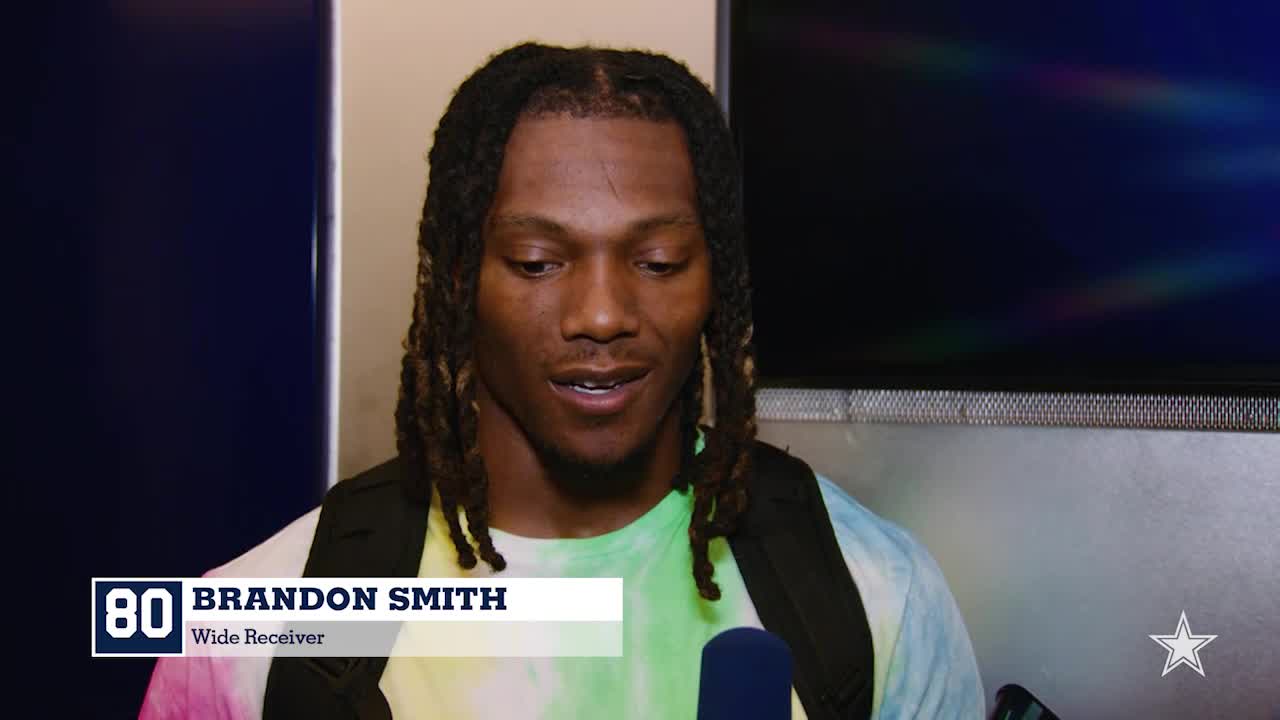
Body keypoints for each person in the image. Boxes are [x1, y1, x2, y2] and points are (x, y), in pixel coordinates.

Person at [139, 42, 984, 719]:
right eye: (538, 261)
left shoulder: (875, 599)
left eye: (659, 261)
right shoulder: (260, 625)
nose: (603, 313)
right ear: (459, 279)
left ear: (714, 280)